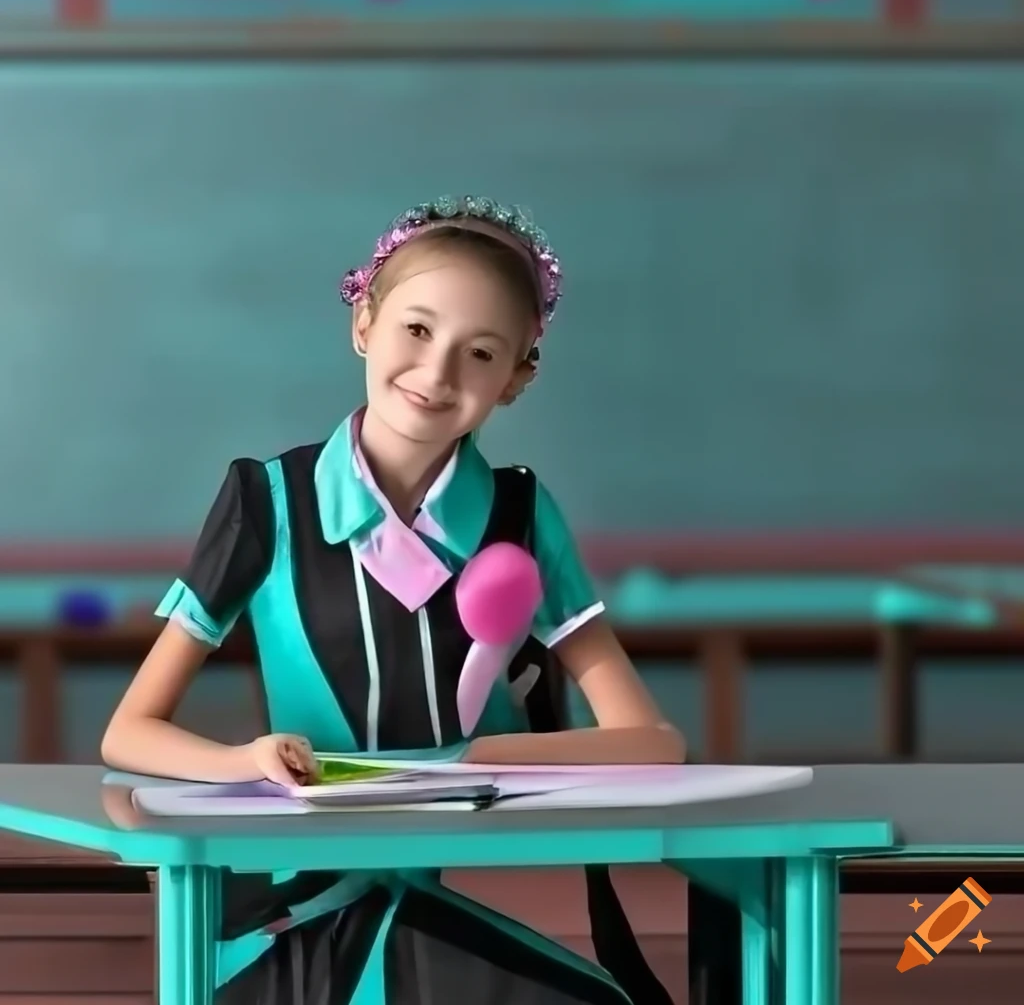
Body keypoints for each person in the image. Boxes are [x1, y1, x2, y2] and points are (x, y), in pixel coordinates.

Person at [101, 195, 684, 1004]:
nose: (438, 374)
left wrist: (476, 758)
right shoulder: (268, 499)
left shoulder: (518, 515)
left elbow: (651, 742)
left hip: (425, 899)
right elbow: (130, 733)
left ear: (517, 379)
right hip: (278, 907)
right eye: (415, 330)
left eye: (480, 353)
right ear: (363, 323)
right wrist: (246, 763)